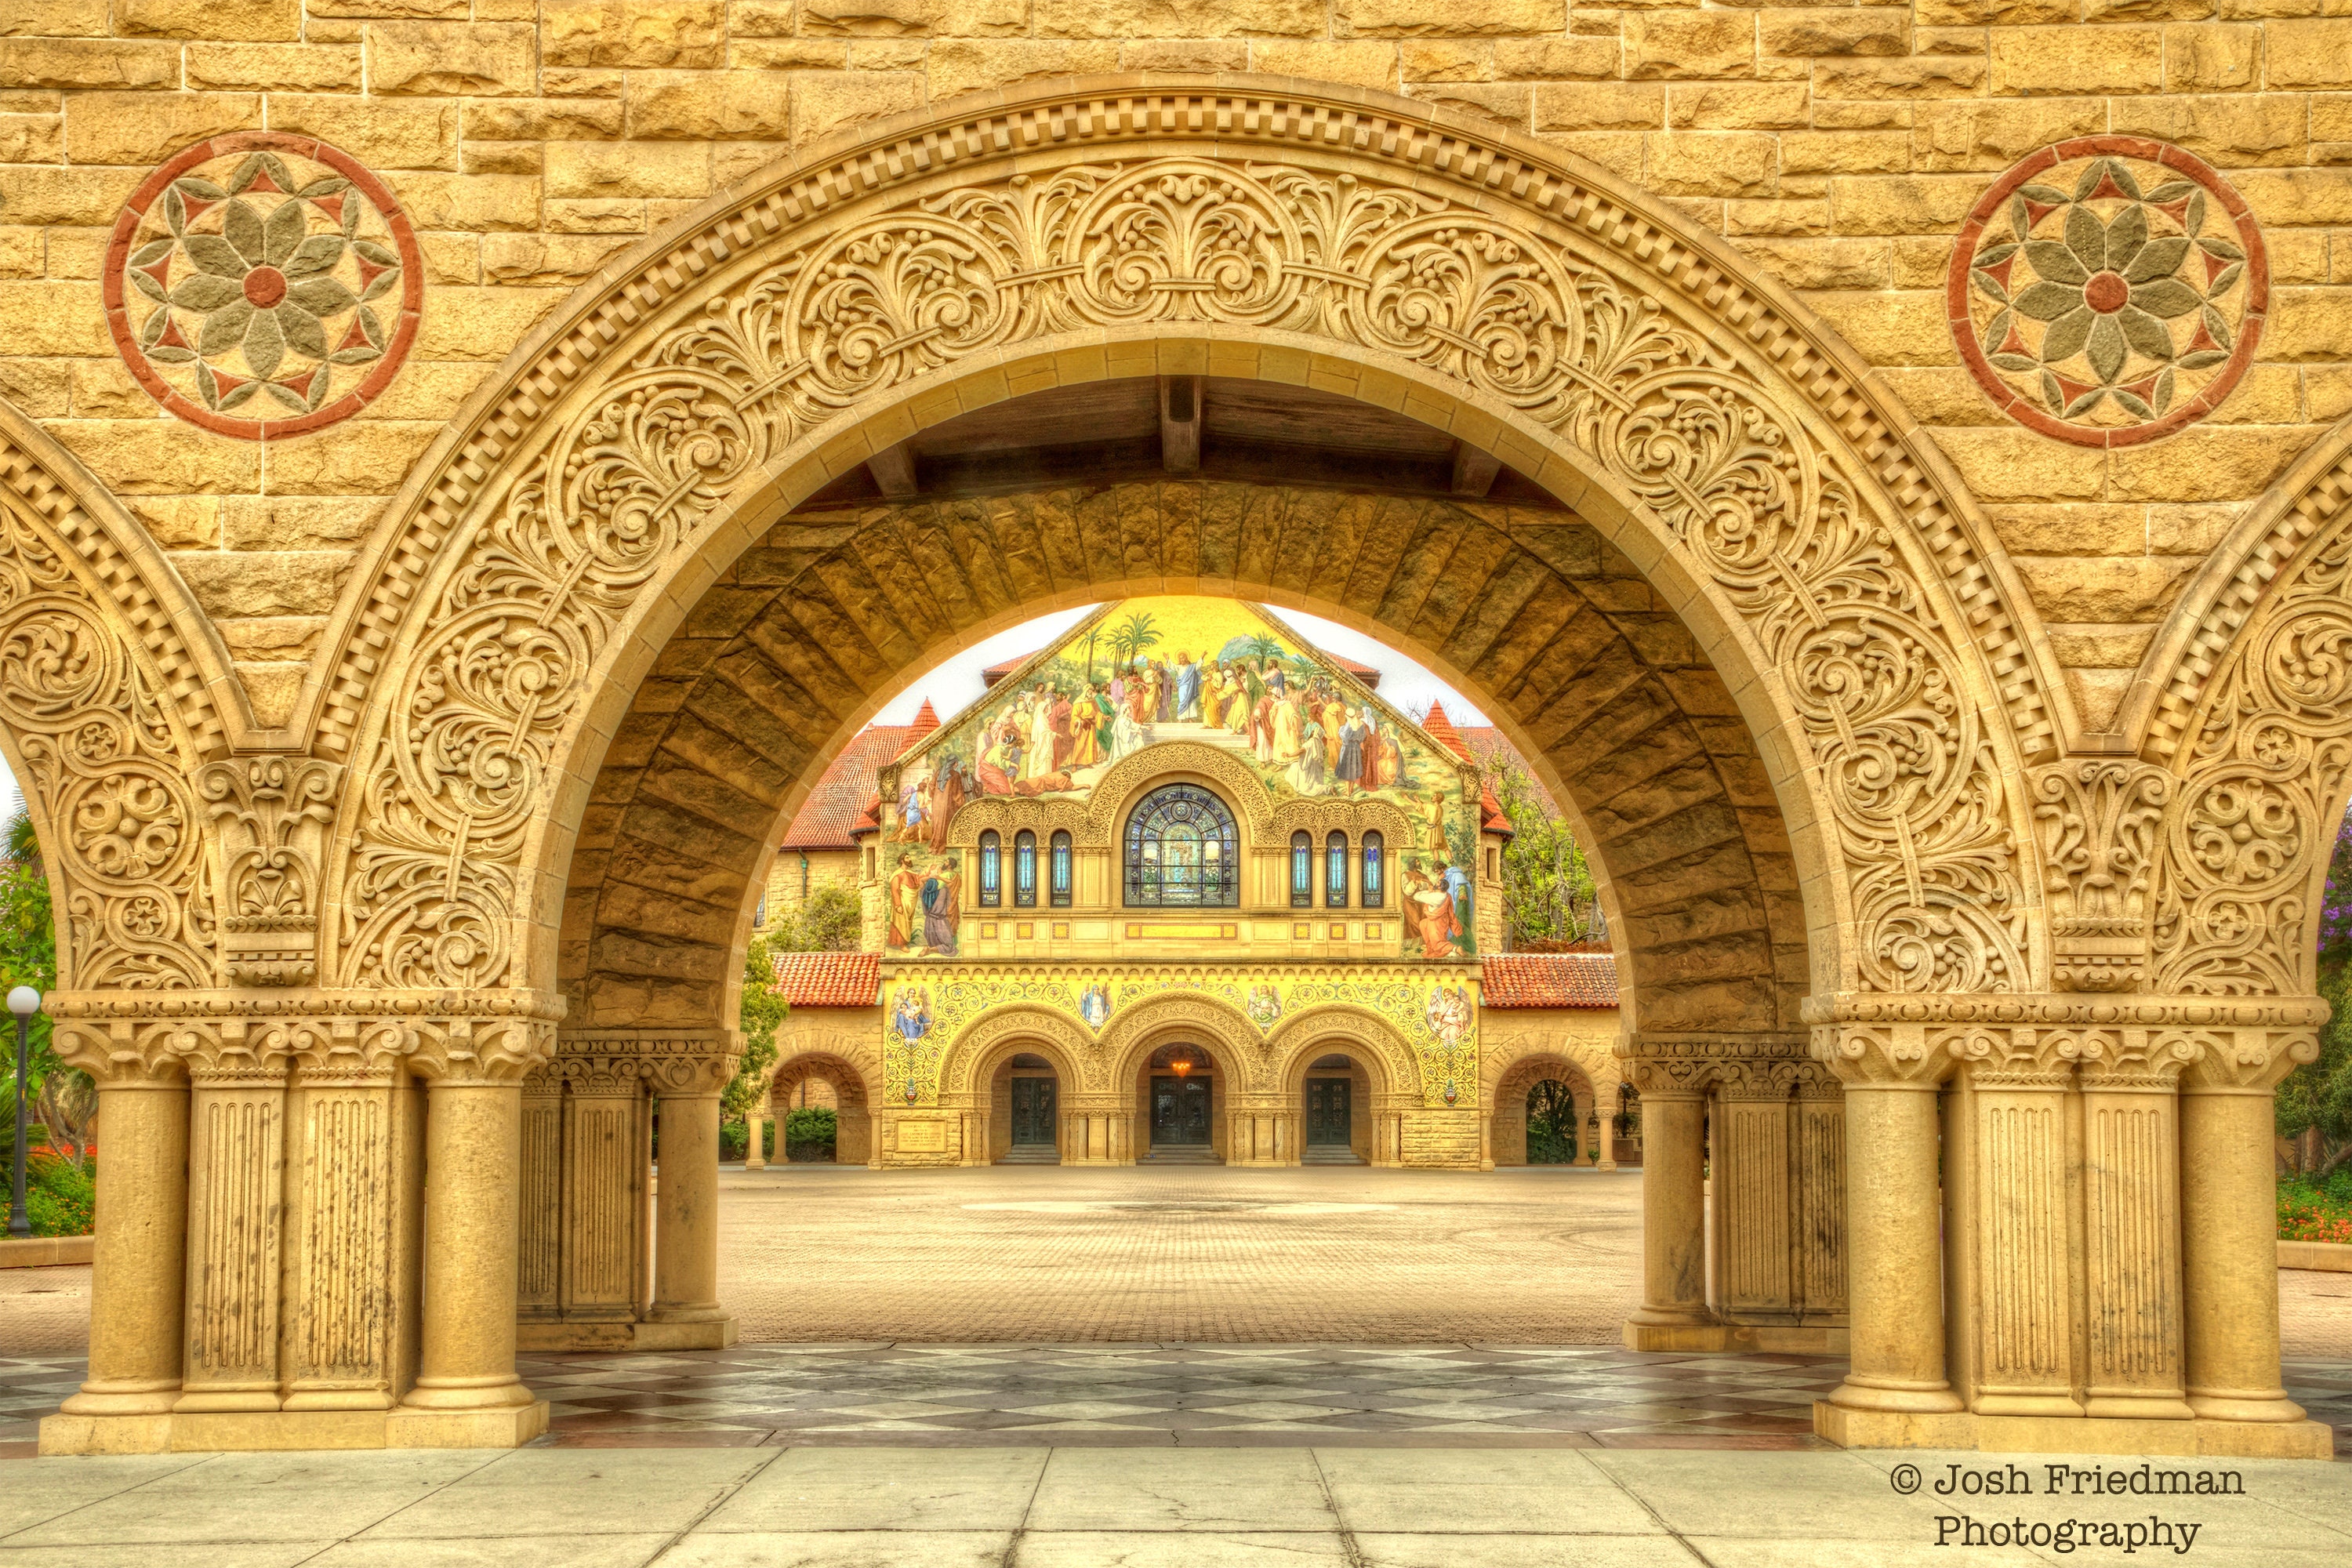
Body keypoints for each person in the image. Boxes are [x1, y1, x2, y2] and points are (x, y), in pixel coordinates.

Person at [921, 856, 960, 956]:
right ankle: (930, 950)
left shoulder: (946, 876)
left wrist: (937, 878)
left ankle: (930, 949)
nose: (944, 862)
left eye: (946, 861)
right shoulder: (955, 876)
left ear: (950, 865)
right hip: (942, 912)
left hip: (935, 913)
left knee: (946, 944)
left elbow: (936, 886)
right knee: (950, 947)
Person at [927, 755, 966, 853]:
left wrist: (936, 796)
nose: (957, 764)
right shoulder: (955, 775)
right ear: (953, 763)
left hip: (937, 803)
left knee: (937, 824)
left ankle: (933, 846)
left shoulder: (939, 772)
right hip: (947, 804)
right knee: (944, 825)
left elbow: (931, 786)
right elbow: (957, 793)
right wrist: (960, 803)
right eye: (956, 763)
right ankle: (939, 848)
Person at [887, 853, 925, 951]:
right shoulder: (897, 874)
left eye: (910, 857)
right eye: (907, 858)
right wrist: (898, 905)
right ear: (902, 860)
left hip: (910, 903)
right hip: (901, 902)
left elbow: (918, 883)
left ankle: (903, 943)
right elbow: (895, 890)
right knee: (900, 922)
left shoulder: (912, 873)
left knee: (907, 923)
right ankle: (901, 944)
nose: (910, 859)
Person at [1289, 710, 1327, 793]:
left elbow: (1322, 732)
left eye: (1308, 717)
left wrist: (1289, 755)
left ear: (1312, 717)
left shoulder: (1316, 726)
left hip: (1311, 746)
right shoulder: (1309, 725)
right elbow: (1306, 733)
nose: (1307, 718)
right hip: (1312, 745)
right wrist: (1300, 735)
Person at [1334, 707, 1365, 795]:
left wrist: (1341, 729)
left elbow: (1344, 735)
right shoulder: (1361, 724)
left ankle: (1348, 791)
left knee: (1347, 769)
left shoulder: (1349, 724)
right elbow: (1362, 737)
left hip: (1348, 748)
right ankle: (1350, 790)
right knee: (1353, 769)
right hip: (1356, 748)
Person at [1175, 652, 1201, 722]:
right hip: (1182, 687)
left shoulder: (1191, 667)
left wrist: (1202, 656)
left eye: (1183, 658)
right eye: (1180, 658)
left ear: (1186, 658)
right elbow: (1172, 666)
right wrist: (1168, 660)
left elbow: (1198, 666)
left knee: (1191, 702)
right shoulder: (1178, 667)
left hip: (1190, 686)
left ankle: (1190, 718)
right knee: (1182, 701)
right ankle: (1181, 718)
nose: (1182, 660)